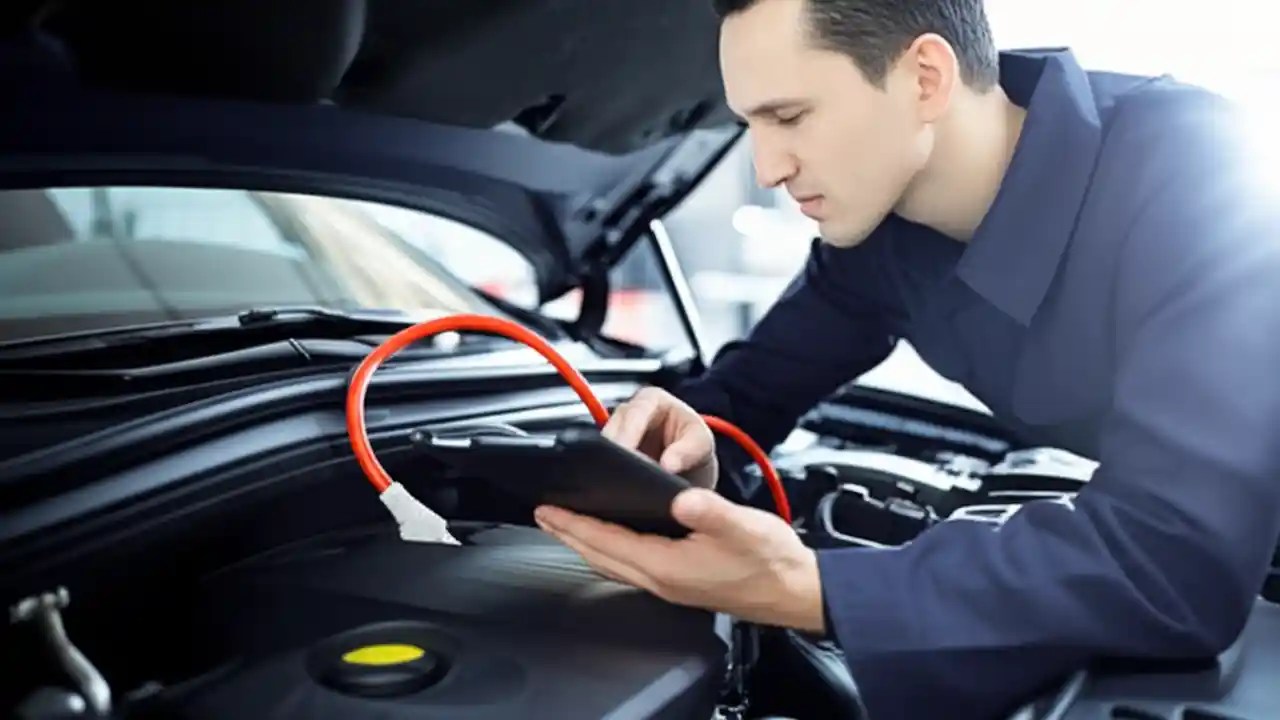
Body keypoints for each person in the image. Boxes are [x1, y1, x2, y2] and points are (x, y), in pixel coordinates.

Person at [533, 0, 1280, 717]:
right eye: (749, 125)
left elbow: (1174, 562)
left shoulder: (1199, 172)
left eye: (789, 116)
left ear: (925, 77)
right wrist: (684, 446)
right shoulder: (879, 235)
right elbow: (744, 398)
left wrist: (811, 587)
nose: (765, 168)